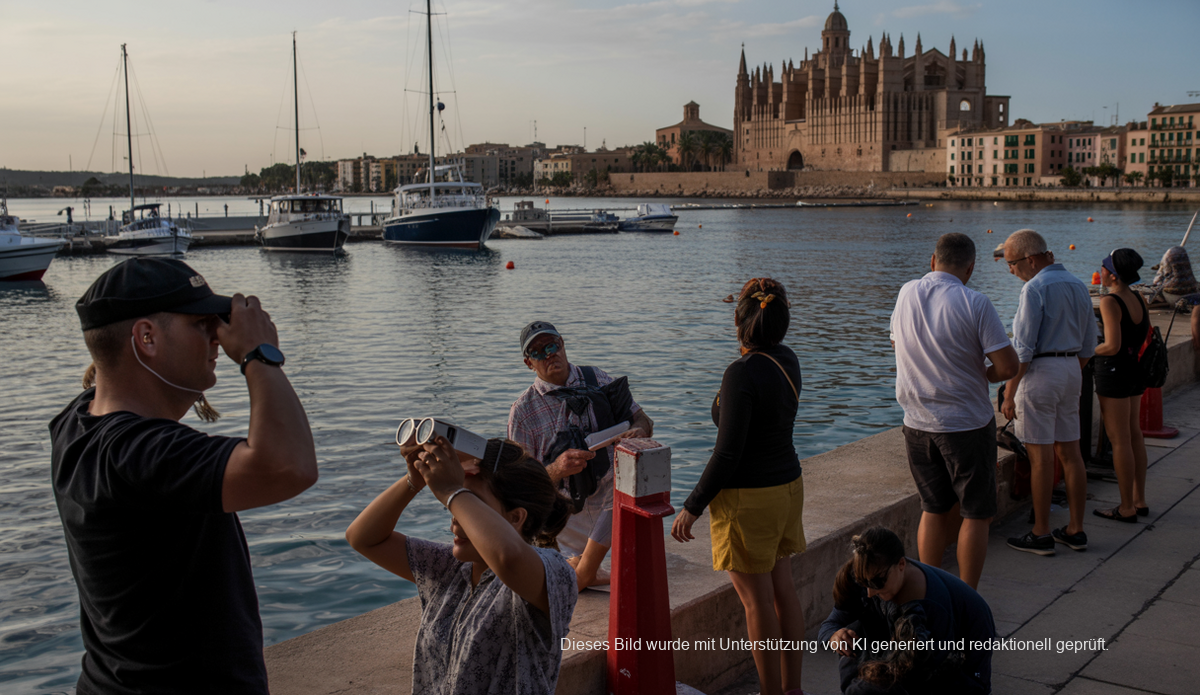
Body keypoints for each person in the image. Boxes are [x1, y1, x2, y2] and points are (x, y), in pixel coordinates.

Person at [50, 257, 317, 694]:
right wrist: (259, 354)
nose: (217, 335)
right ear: (146, 337)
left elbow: (112, 380)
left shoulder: (79, 421)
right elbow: (290, 466)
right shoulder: (134, 452)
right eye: (200, 323)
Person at [346, 436, 577, 695]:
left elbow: (508, 557)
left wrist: (451, 491)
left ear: (515, 518)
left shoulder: (554, 571)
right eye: (452, 507)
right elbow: (363, 538)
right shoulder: (448, 568)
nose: (455, 521)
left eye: (469, 502)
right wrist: (415, 480)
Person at [672, 278, 808, 695]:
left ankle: (769, 692)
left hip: (748, 500)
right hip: (787, 487)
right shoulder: (788, 360)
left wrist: (693, 505)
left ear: (737, 320)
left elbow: (728, 453)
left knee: (756, 602)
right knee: (783, 592)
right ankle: (792, 689)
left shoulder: (741, 373)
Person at [890, 233, 1019, 588]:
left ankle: (927, 593)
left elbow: (895, 342)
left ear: (933, 261)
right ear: (971, 268)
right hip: (966, 424)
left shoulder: (905, 293)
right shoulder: (975, 302)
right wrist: (983, 373)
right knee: (976, 514)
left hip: (916, 422)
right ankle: (967, 596)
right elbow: (1009, 367)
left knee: (932, 508)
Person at [507, 320, 654, 591]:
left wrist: (637, 430)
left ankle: (590, 570)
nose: (549, 353)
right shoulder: (523, 411)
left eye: (552, 345)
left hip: (613, 506)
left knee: (629, 480)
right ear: (529, 363)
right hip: (567, 517)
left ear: (562, 344)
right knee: (585, 579)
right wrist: (557, 469)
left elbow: (643, 419)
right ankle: (590, 569)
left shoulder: (596, 379)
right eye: (538, 352)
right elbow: (521, 485)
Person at [1000, 229, 1097, 556]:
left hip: (1040, 372)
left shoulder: (1034, 289)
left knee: (1041, 458)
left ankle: (1040, 532)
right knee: (1071, 453)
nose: (1010, 270)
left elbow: (1023, 349)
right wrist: (1069, 372)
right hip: (1072, 369)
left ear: (1029, 259)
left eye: (1011, 263)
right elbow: (1089, 343)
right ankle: (1075, 529)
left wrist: (1009, 392)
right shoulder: (1078, 284)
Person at [820, 527, 995, 695]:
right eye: (863, 582)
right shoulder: (868, 575)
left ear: (901, 564)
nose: (870, 592)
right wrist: (834, 636)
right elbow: (829, 625)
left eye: (877, 583)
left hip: (956, 662)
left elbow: (928, 669)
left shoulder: (930, 605)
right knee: (852, 637)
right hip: (905, 647)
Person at [1093, 249, 1151, 522]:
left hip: (1114, 372)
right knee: (1134, 434)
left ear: (1112, 275)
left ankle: (1126, 507)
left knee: (1119, 441)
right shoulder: (1140, 297)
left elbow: (1112, 345)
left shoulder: (1109, 301)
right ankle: (1139, 500)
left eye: (1103, 267)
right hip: (1135, 371)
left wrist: (1090, 349)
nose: (1100, 271)